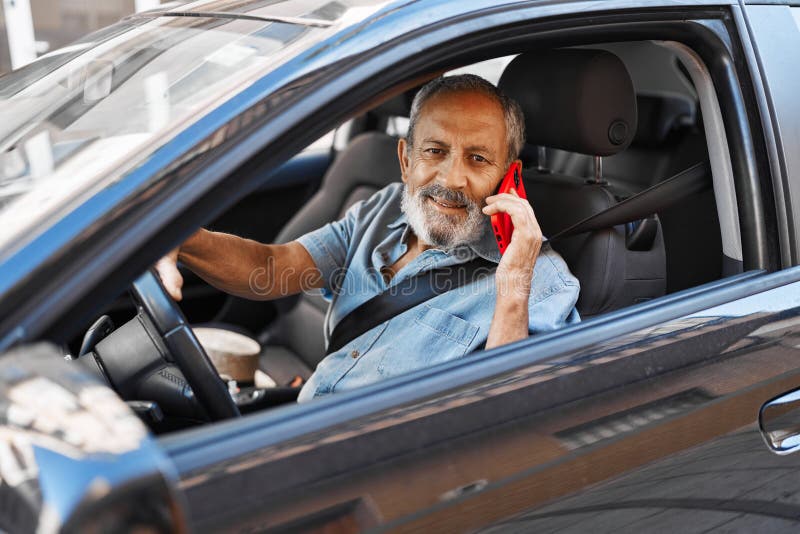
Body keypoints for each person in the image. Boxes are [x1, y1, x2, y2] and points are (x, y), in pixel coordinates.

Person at [155, 74, 580, 402]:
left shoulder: (542, 281)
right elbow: (270, 268)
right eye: (434, 151)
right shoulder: (380, 211)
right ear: (405, 160)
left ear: (509, 176)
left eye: (478, 158)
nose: (451, 178)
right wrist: (181, 239)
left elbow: (510, 421)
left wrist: (513, 286)